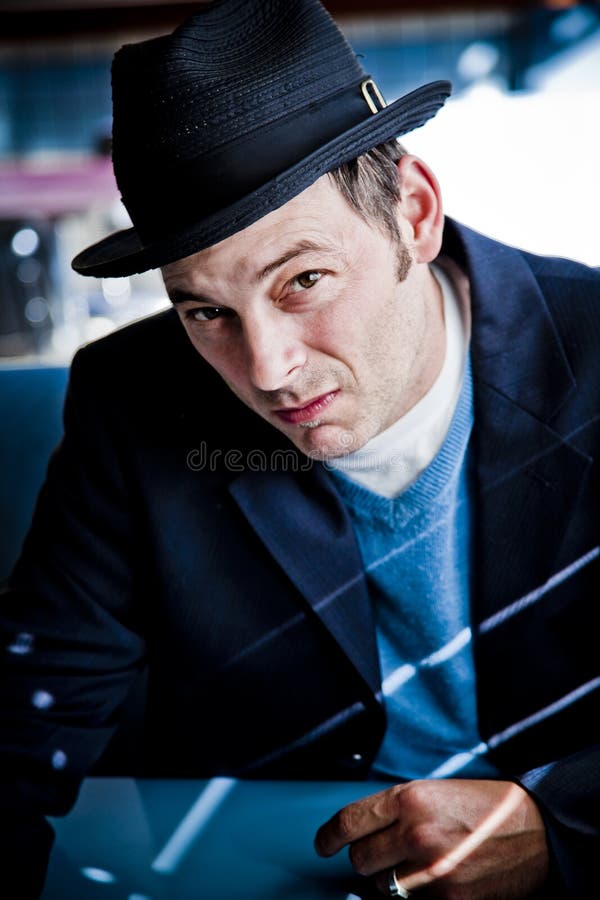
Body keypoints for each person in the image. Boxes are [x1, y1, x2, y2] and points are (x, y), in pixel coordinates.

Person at [1, 0, 598, 897]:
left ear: (414, 213)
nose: (269, 370)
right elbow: (29, 705)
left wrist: (567, 822)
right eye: (205, 311)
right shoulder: (132, 404)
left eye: (304, 279)